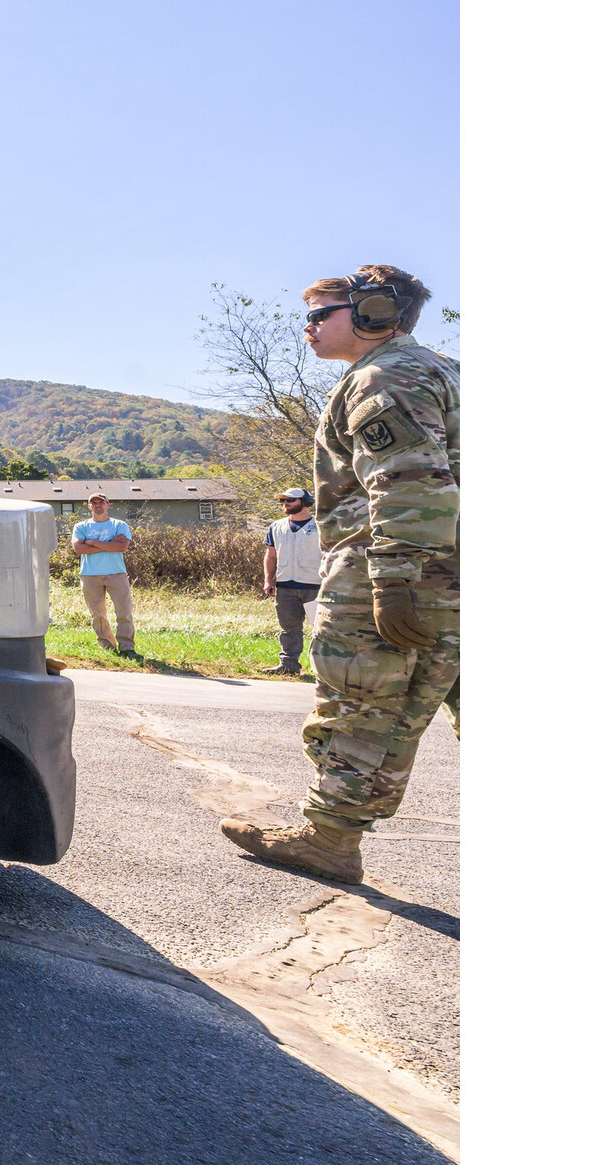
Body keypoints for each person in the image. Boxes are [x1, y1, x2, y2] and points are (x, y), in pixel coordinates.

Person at [221, 265, 459, 883]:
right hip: (453, 571)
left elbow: (407, 480)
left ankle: (329, 839)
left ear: (374, 313)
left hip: (401, 572)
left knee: (360, 701)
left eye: (319, 313)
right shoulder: (441, 369)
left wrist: (393, 579)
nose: (307, 327)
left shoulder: (385, 376)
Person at [261, 487, 323, 675]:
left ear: (304, 502)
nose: (285, 504)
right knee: (288, 628)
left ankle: (322, 669)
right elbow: (270, 555)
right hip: (285, 586)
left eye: (291, 500)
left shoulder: (321, 525)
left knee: (320, 629)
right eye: (283, 501)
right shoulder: (276, 526)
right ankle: (288, 665)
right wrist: (268, 580)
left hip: (315, 585)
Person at [69, 493, 137, 657]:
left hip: (116, 574)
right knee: (98, 614)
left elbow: (122, 548)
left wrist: (91, 542)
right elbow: (79, 549)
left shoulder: (119, 525)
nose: (98, 506)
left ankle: (127, 648)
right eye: (94, 503)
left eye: (101, 503)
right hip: (90, 575)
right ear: (89, 506)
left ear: (108, 505)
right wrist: (109, 544)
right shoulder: (81, 527)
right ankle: (107, 647)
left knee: (124, 612)